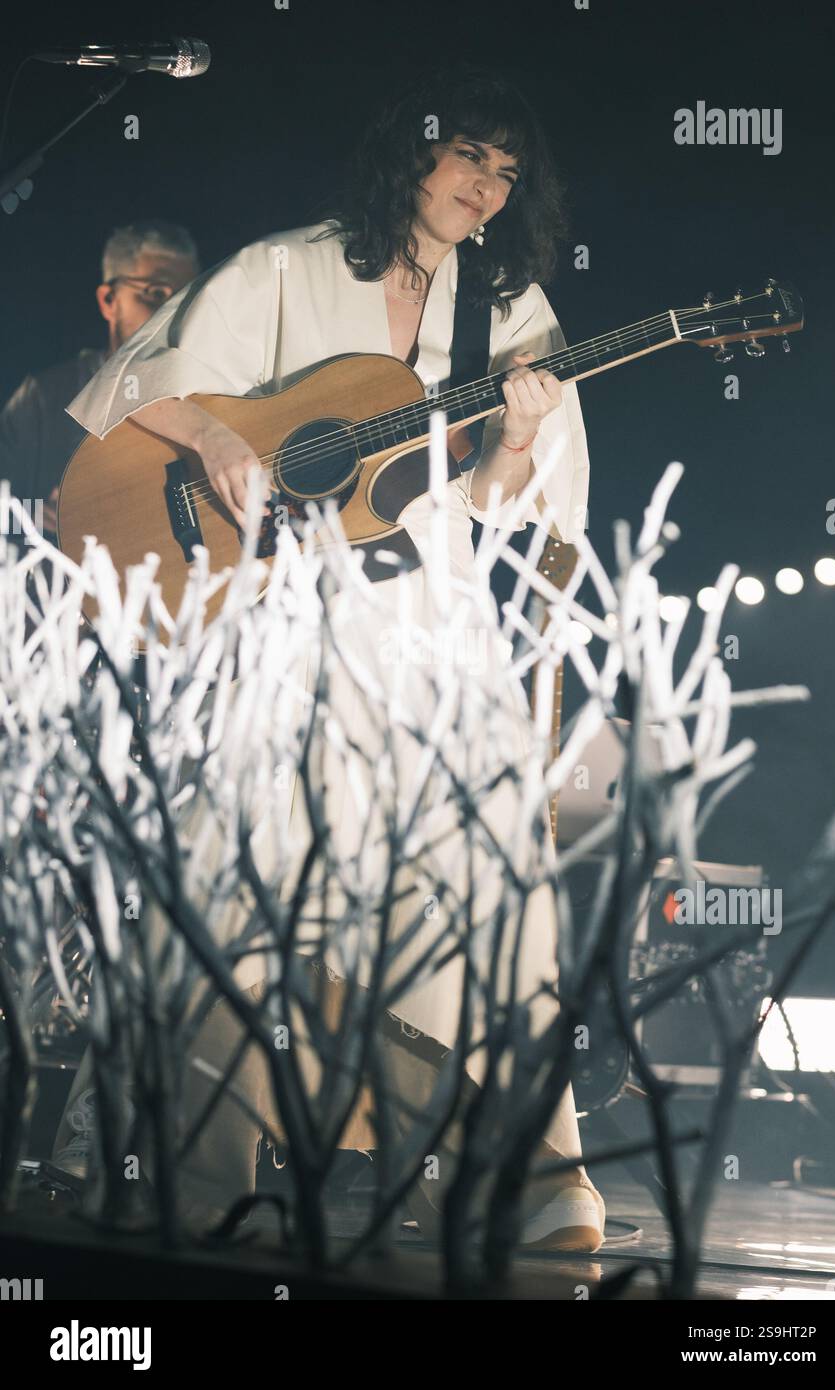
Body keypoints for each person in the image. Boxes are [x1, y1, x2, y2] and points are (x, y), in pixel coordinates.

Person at [51, 66, 605, 1253]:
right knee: (228, 882)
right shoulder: (289, 266)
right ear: (409, 149)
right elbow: (139, 382)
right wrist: (218, 441)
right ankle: (185, 1179)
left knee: (480, 892)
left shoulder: (508, 308)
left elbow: (505, 511)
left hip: (426, 632)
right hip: (274, 620)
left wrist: (512, 440)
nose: (486, 188)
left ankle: (523, 1177)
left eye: (508, 173)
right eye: (470, 156)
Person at [0, 221, 199, 539]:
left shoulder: (206, 390)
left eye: (185, 299)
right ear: (109, 300)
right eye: (156, 295)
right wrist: (35, 514)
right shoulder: (43, 398)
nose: (172, 315)